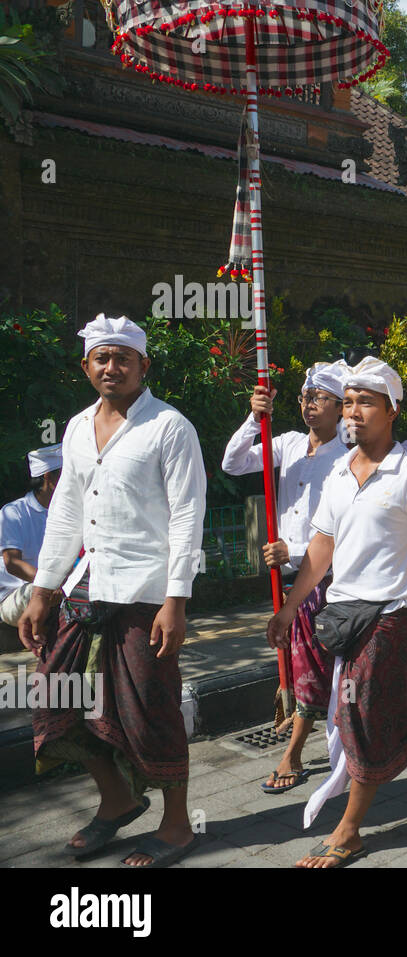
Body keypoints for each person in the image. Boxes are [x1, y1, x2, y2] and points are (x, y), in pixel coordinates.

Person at [266, 357, 407, 868]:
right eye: (351, 401)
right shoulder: (338, 472)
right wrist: (291, 607)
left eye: (367, 402)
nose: (354, 412)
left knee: (358, 715)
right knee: (387, 713)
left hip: (393, 615)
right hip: (342, 614)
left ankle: (349, 830)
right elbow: (321, 547)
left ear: (392, 409)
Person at [18, 314, 206, 867]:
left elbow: (187, 517)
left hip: (147, 594)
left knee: (150, 707)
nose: (112, 367)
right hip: (86, 589)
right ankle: (118, 798)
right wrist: (43, 590)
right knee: (55, 697)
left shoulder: (170, 427)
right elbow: (66, 514)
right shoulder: (77, 428)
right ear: (86, 367)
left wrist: (177, 600)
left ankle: (177, 827)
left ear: (143, 366)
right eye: (102, 357)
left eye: (123, 358)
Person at [223, 360, 350, 794]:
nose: (310, 405)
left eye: (321, 399)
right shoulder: (289, 444)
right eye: (305, 397)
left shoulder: (350, 458)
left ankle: (292, 753)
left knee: (313, 667)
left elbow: (344, 528)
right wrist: (254, 417)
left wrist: (293, 550)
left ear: (339, 408)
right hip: (287, 580)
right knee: (298, 664)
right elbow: (232, 462)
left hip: (324, 580)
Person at [0, 445, 61, 627]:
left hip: (52, 588)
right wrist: (48, 583)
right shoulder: (13, 513)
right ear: (48, 477)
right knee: (39, 592)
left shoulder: (67, 513)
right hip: (13, 596)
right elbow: (13, 564)